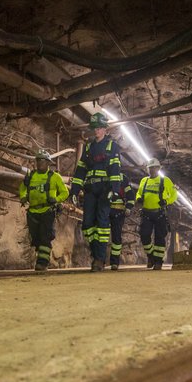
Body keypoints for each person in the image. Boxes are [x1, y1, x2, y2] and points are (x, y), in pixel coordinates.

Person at [70, 113, 123, 272]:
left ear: (105, 129)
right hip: (90, 190)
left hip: (105, 190)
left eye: (99, 128)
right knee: (87, 224)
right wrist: (74, 191)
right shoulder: (88, 148)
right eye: (95, 128)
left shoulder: (112, 146)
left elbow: (115, 169)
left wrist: (114, 190)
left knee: (102, 223)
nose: (97, 131)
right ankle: (96, 254)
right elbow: (80, 170)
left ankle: (99, 259)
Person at [19, 149, 69, 272]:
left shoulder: (54, 177)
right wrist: (23, 197)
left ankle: (42, 263)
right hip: (33, 212)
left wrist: (56, 199)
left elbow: (65, 192)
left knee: (45, 237)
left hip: (47, 211)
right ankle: (42, 258)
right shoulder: (31, 176)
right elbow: (22, 189)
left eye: (43, 160)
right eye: (38, 160)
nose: (40, 163)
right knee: (36, 238)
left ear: (48, 163)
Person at [136, 158, 177, 270]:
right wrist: (138, 198)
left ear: (158, 168)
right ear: (147, 169)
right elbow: (139, 192)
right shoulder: (144, 181)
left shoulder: (165, 180)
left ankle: (158, 262)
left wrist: (166, 201)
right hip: (146, 213)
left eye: (154, 168)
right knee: (144, 235)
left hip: (159, 213)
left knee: (160, 237)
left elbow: (174, 194)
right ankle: (151, 256)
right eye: (150, 168)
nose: (152, 170)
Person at [108, 173, 136, 270]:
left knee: (116, 237)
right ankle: (99, 260)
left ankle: (114, 262)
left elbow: (130, 195)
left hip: (118, 212)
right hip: (104, 211)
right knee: (101, 236)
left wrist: (128, 207)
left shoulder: (123, 178)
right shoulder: (104, 174)